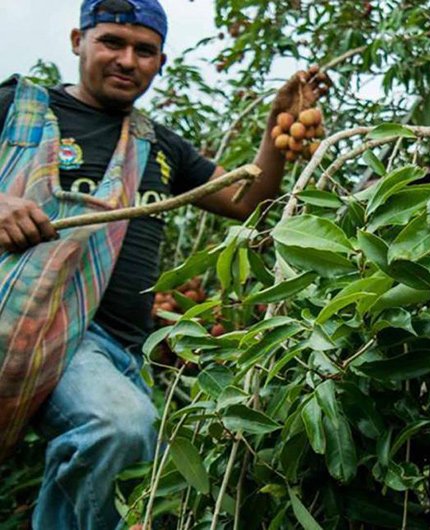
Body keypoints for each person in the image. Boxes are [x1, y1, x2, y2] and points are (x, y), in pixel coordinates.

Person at [0, 1, 328, 528]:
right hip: (33, 330)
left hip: (121, 349)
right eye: (111, 42)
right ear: (76, 40)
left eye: (144, 50)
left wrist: (276, 123)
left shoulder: (158, 145)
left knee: (132, 459)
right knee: (119, 424)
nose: (127, 60)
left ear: (160, 62)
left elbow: (246, 200)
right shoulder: (17, 107)